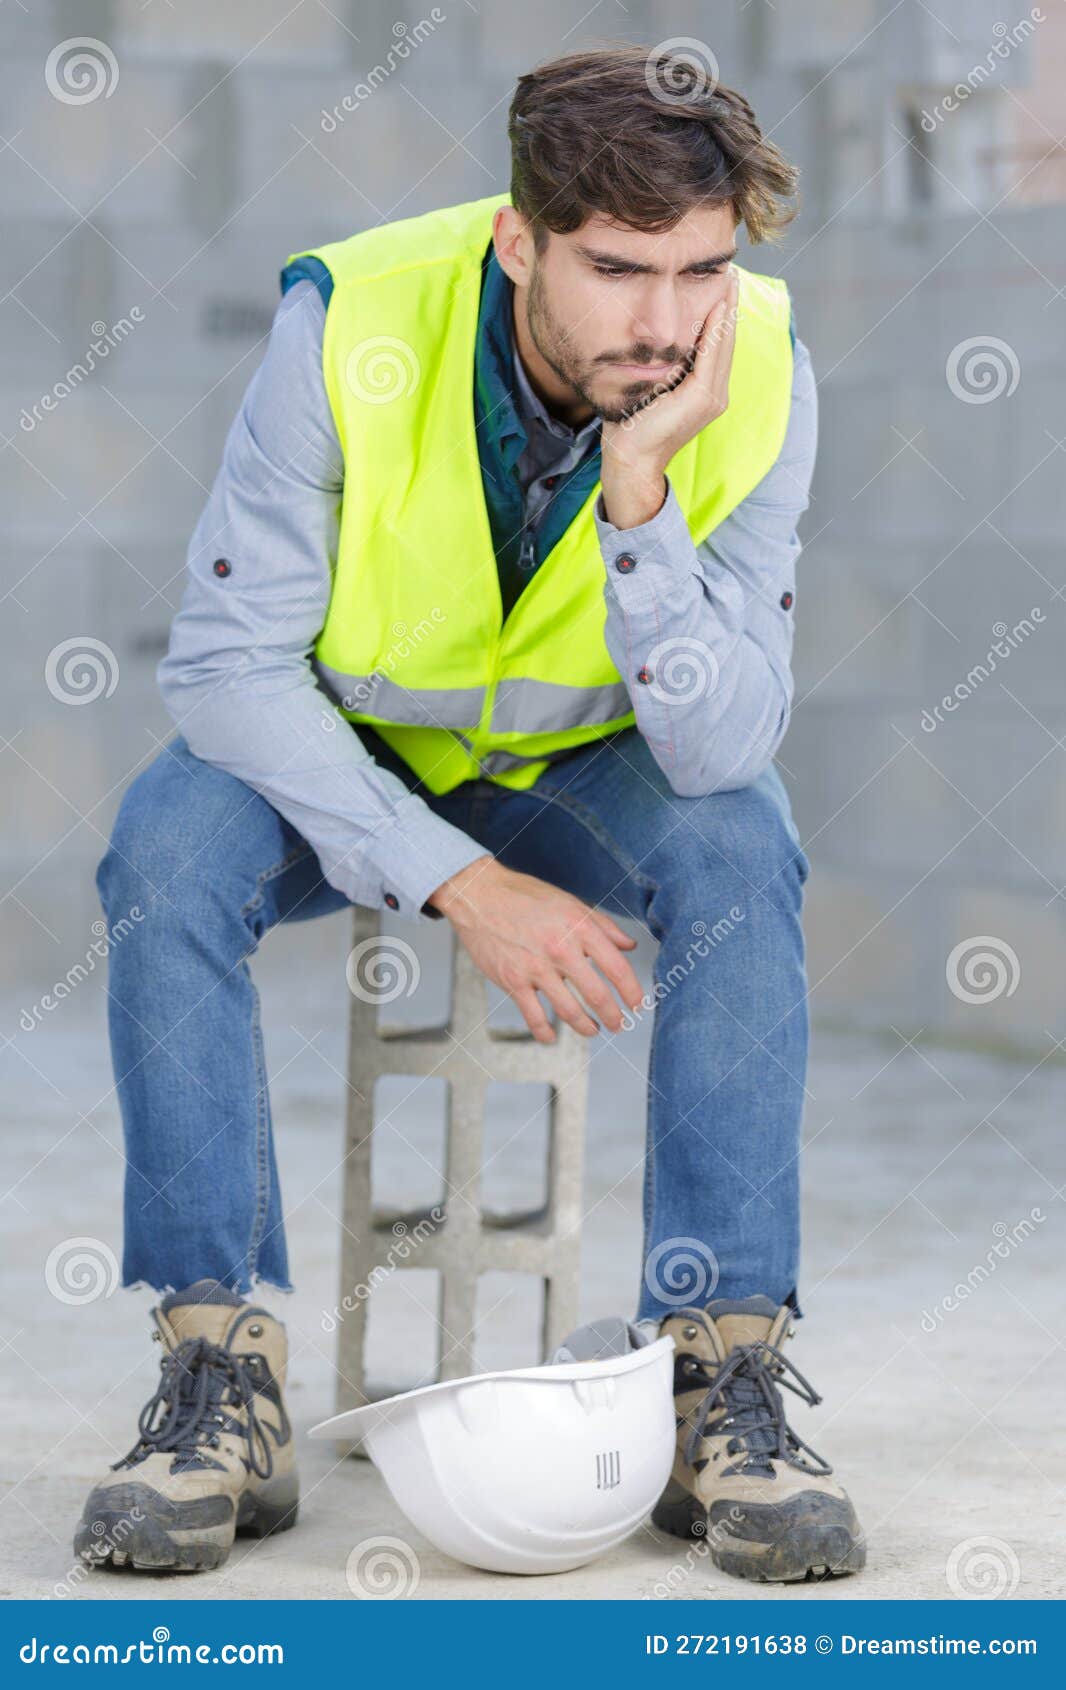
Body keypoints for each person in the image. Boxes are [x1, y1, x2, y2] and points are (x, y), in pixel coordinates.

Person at [75, 44, 864, 1583]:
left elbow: (717, 748)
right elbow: (228, 670)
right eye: (619, 269)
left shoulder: (755, 369)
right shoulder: (352, 320)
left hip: (583, 768)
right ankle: (215, 1374)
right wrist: (451, 878)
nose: (667, 319)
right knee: (163, 849)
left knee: (741, 843)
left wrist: (638, 492)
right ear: (520, 242)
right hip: (342, 757)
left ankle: (722, 1368)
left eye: (700, 268)